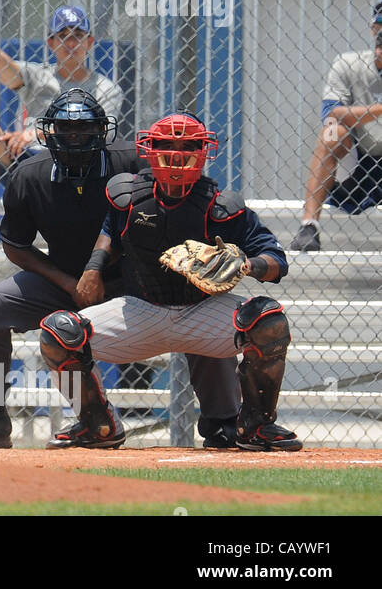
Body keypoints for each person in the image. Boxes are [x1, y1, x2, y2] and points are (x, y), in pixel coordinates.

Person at [0, 90, 240, 450]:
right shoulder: (29, 176)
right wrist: (69, 282)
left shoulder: (133, 163)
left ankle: (224, 422)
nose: (75, 137)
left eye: (84, 129)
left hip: (136, 278)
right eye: (66, 129)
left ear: (102, 131)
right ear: (48, 133)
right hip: (63, 277)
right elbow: (15, 246)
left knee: (195, 300)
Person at [40, 111, 300, 451]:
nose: (177, 154)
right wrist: (93, 268)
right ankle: (97, 424)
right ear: (150, 149)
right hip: (141, 310)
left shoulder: (223, 206)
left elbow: (276, 261)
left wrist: (245, 265)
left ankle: (254, 425)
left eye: (187, 146)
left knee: (269, 321)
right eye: (167, 145)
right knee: (59, 333)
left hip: (203, 311)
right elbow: (111, 233)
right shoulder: (128, 196)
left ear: (204, 151)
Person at [0, 0, 125, 247]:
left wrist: (35, 133)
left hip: (79, 170)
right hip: (30, 163)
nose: (71, 43)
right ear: (51, 43)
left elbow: (103, 135)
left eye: (78, 36)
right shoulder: (38, 77)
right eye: (62, 36)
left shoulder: (107, 89)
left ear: (90, 43)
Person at [288, 0, 382, 251]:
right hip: (357, 162)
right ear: (373, 28)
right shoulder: (349, 64)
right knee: (332, 131)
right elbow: (331, 113)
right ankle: (309, 226)